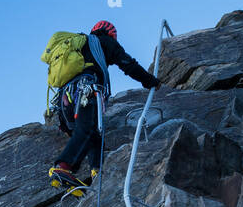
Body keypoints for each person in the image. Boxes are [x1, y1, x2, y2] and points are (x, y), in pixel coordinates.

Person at [47, 21, 162, 193]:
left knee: (93, 132)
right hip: (85, 90)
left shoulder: (79, 47)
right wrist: (150, 81)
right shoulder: (104, 42)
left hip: (65, 101)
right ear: (109, 33)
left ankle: (97, 171)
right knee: (87, 130)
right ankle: (63, 167)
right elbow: (128, 64)